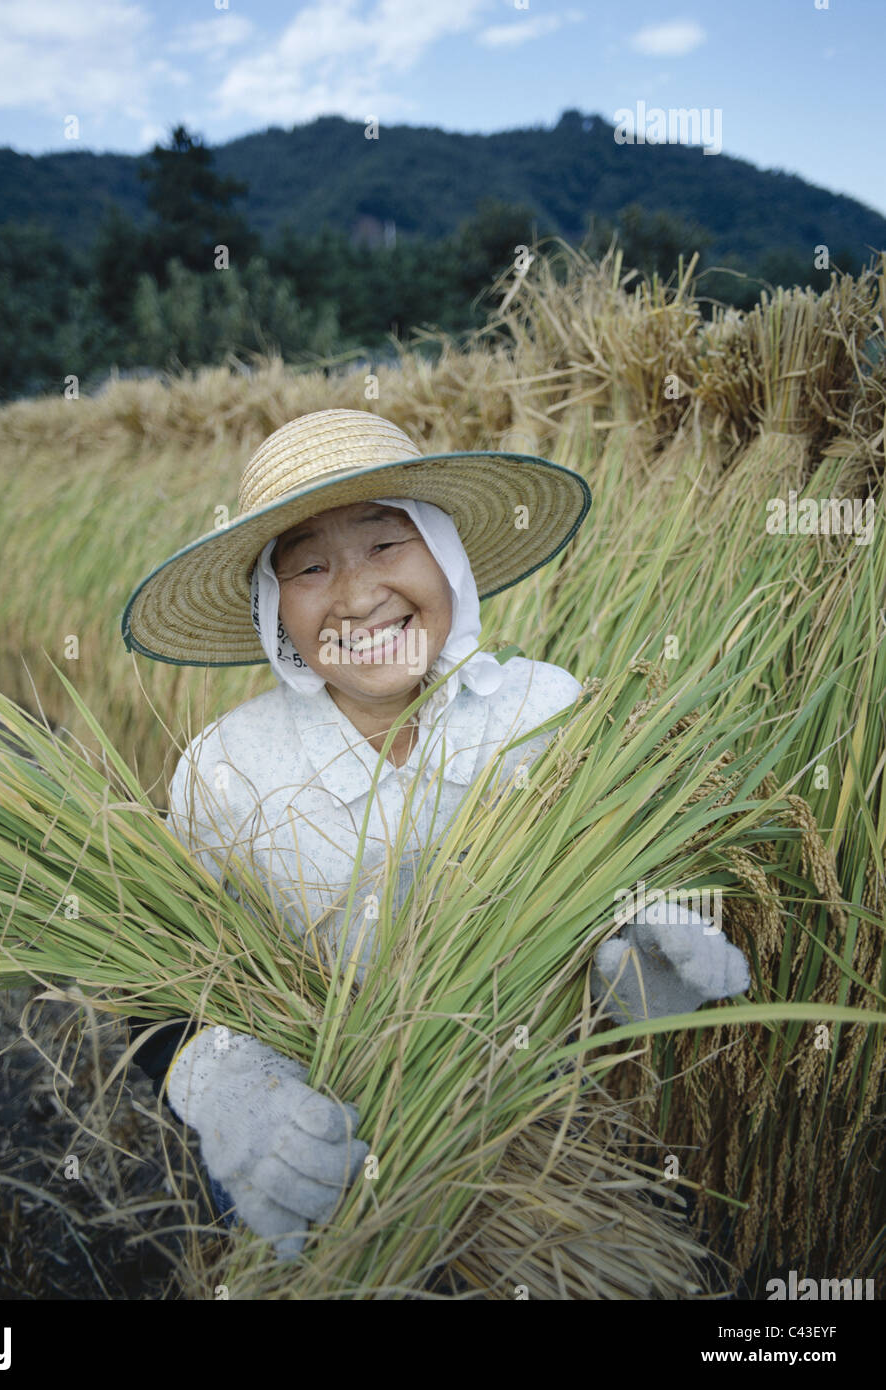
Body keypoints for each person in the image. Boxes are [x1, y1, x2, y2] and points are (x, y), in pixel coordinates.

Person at [120, 408, 750, 1262]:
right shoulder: (227, 769)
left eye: (385, 545)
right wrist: (232, 1092)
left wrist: (641, 967)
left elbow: (625, 898)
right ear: (277, 608)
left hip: (538, 1147)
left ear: (444, 555)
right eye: (309, 565)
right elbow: (155, 977)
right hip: (321, 1156)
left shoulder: (544, 713)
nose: (356, 594)